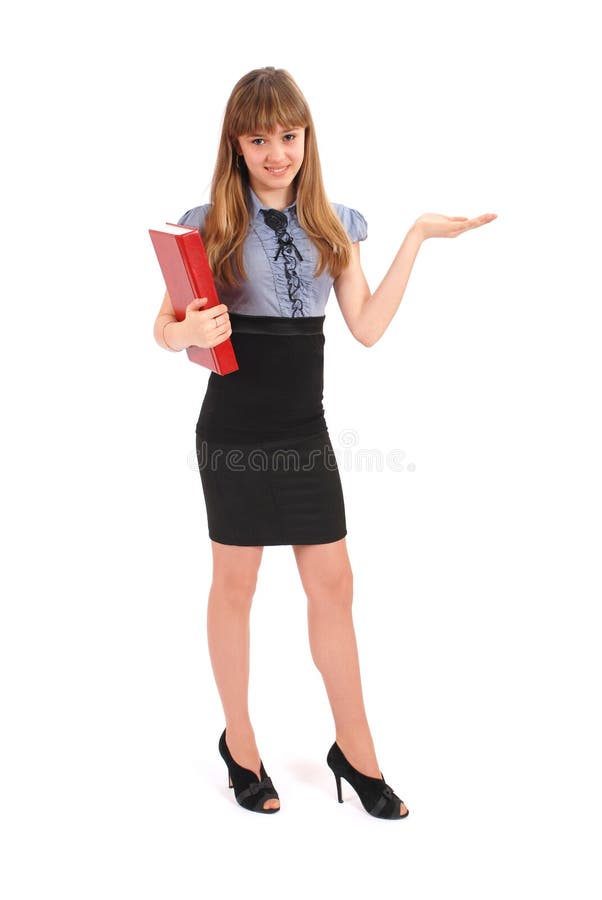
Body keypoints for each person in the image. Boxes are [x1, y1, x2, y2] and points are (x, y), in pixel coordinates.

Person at [153, 66, 496, 818]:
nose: (276, 152)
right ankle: (239, 745)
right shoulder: (210, 220)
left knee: (334, 585)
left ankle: (357, 749)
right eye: (258, 138)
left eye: (288, 135)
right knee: (235, 588)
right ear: (236, 145)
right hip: (235, 428)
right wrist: (188, 330)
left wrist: (416, 238)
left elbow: (366, 327)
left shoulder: (337, 224)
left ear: (306, 136)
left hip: (302, 430)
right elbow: (164, 328)